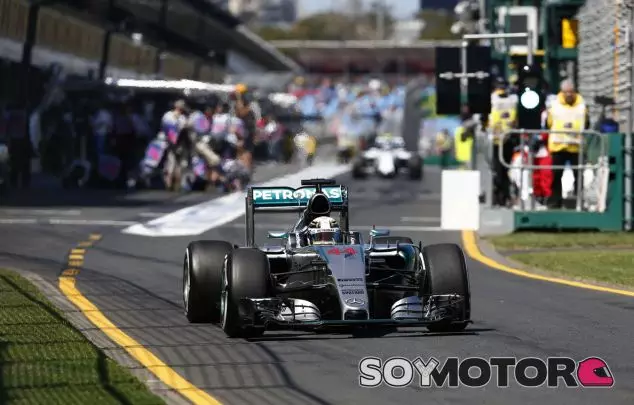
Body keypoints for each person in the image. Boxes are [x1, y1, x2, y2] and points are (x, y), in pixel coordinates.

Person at [544, 79, 590, 208]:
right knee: (556, 175)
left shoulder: (582, 105)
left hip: (576, 146)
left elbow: (586, 123)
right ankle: (555, 202)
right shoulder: (554, 104)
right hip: (559, 146)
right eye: (566, 92)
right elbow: (548, 123)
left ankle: (578, 201)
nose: (569, 94)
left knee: (578, 175)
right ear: (561, 92)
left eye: (571, 92)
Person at [487, 78, 518, 206]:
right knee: (500, 170)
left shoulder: (512, 99)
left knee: (502, 170)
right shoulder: (509, 99)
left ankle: (503, 196)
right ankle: (500, 195)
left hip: (505, 139)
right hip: (497, 139)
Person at [161, 99, 189, 190]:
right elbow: (166, 129)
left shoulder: (183, 118)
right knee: (171, 163)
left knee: (180, 164)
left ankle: (177, 183)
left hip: (180, 143)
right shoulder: (168, 115)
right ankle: (168, 183)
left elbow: (184, 129)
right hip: (170, 142)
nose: (181, 110)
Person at [4, 102, 31, 188]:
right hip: (23, 138)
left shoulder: (10, 113)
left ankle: (14, 181)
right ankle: (23, 181)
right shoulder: (26, 113)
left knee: (14, 161)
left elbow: (6, 125)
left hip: (14, 138)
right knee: (24, 161)